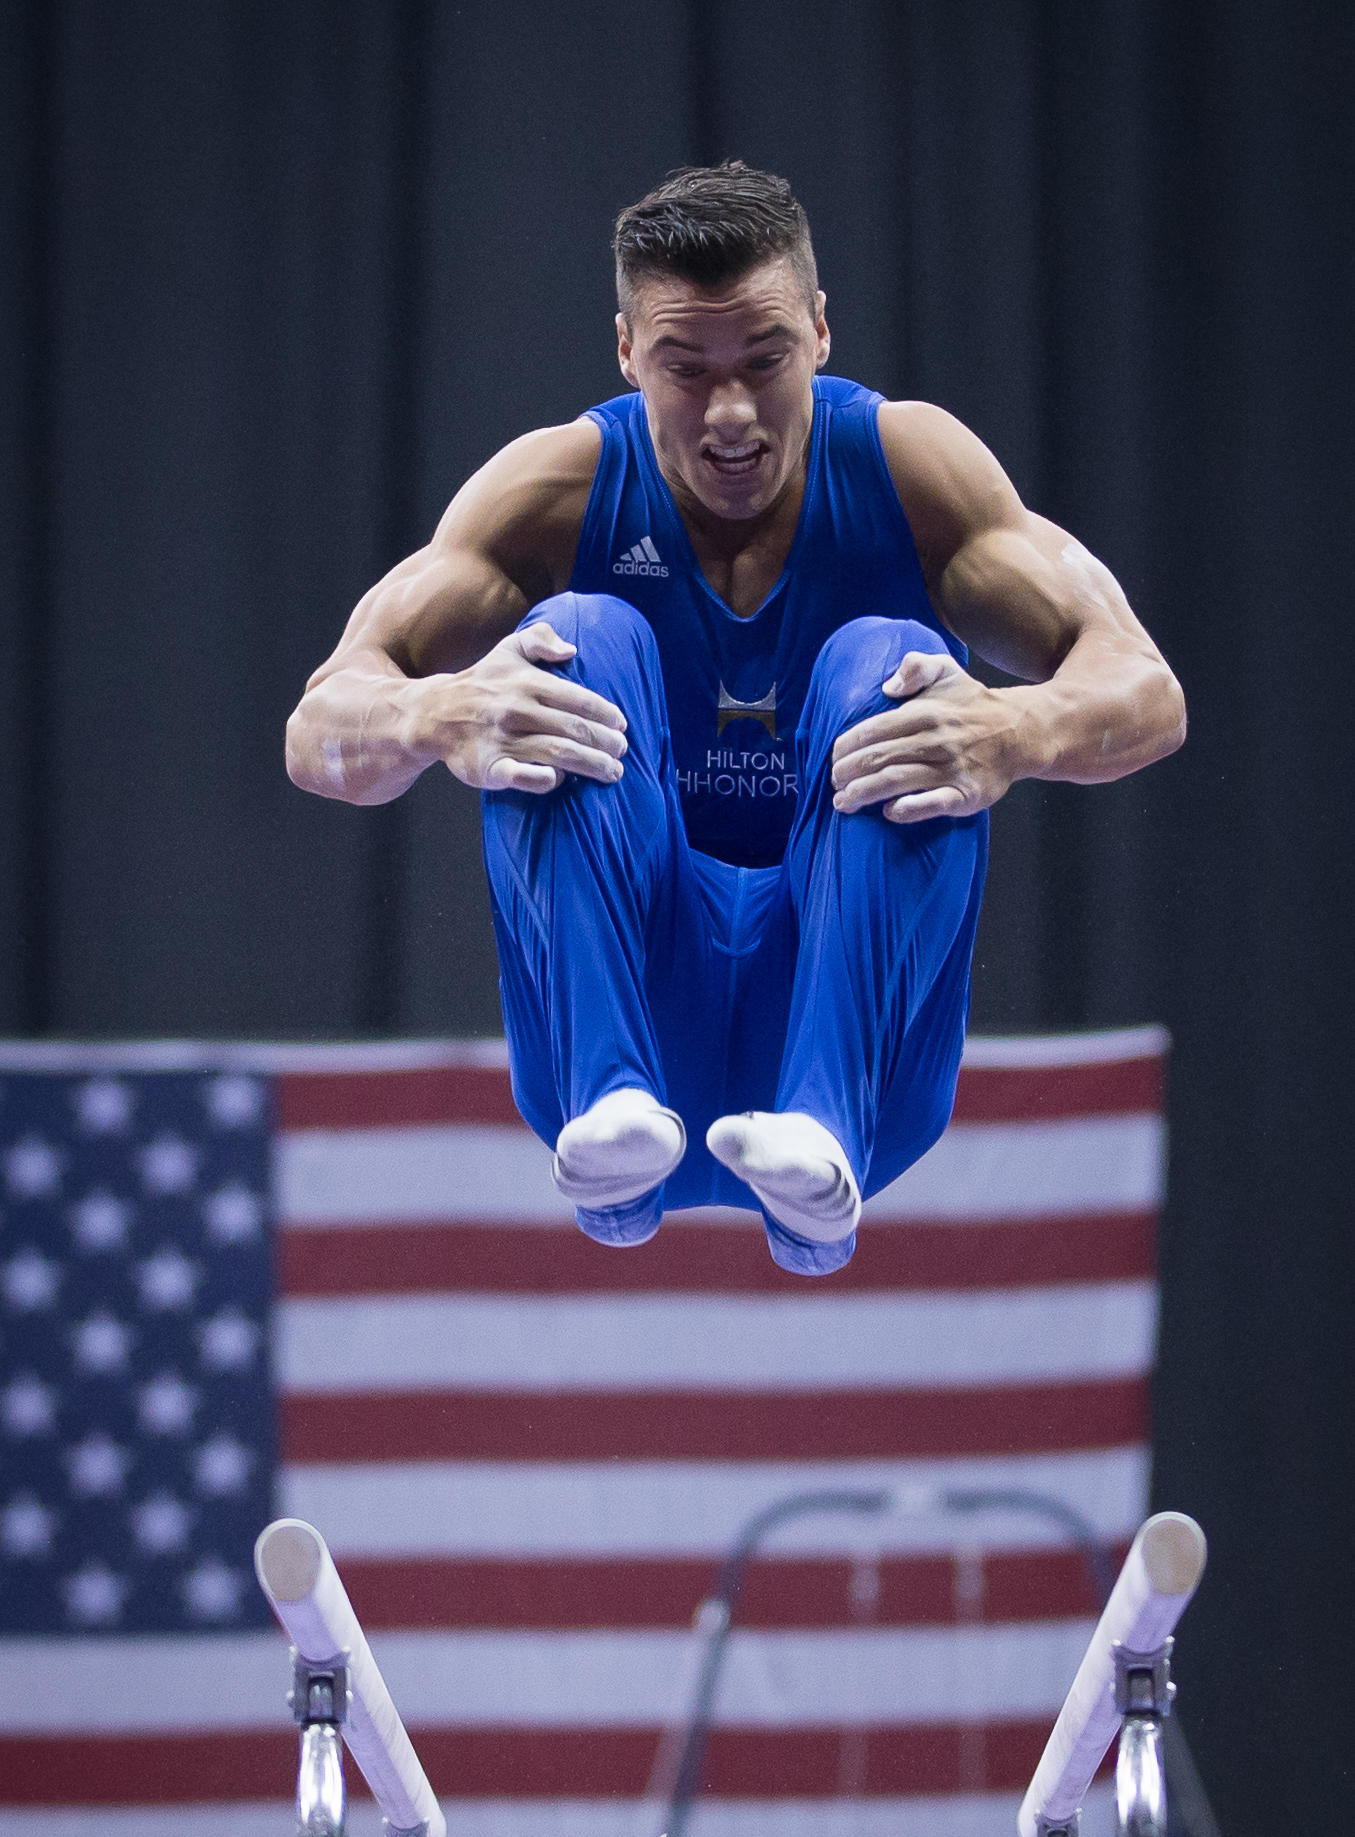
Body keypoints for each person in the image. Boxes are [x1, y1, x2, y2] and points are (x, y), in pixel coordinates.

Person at [286, 162, 1185, 1275]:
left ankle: (820, 1130)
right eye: (683, 368)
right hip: (625, 1017)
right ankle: (614, 1103)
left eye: (762, 361)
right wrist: (442, 714)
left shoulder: (909, 470)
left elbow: (1146, 691)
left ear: (817, 333)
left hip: (846, 1015)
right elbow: (320, 723)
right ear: (625, 352)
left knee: (888, 659)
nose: (730, 415)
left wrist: (1015, 733)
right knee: (573, 642)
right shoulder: (556, 491)